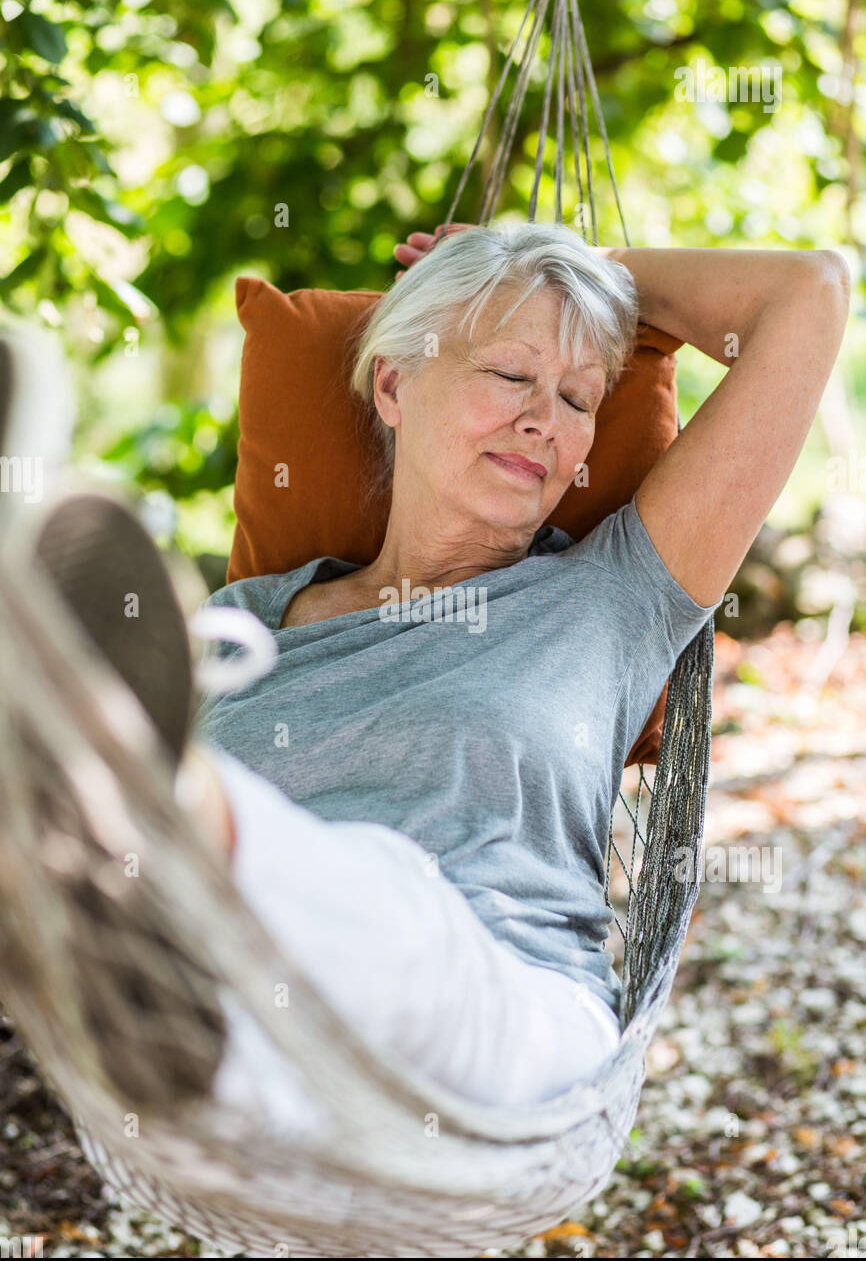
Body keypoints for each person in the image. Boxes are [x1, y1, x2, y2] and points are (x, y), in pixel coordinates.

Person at [0, 221, 849, 1125]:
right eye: (511, 373)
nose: (545, 421)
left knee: (392, 908)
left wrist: (579, 267)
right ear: (396, 383)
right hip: (233, 1031)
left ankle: (149, 797)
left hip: (502, 1026)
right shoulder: (244, 627)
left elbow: (811, 295)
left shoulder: (612, 598)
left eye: (579, 397)